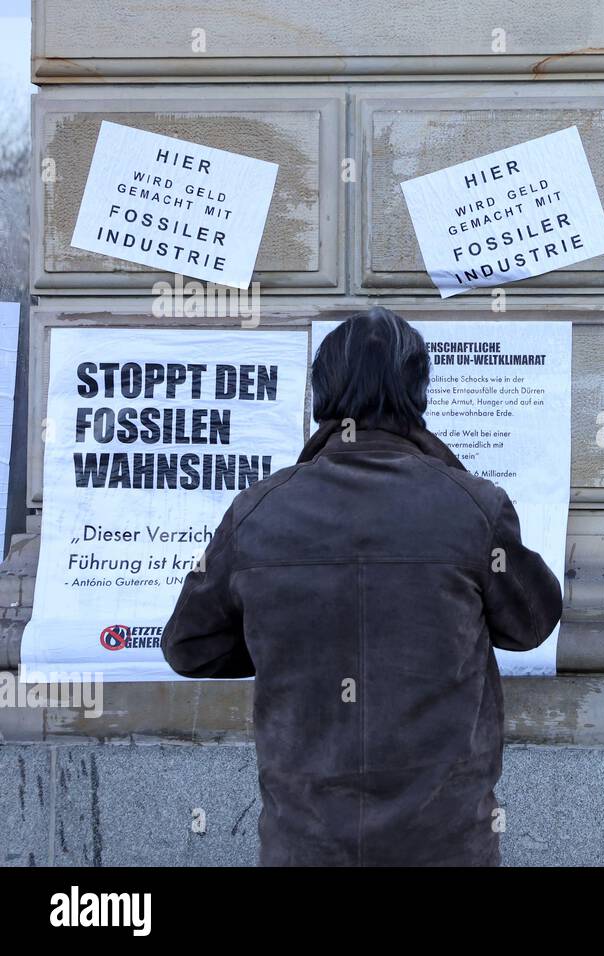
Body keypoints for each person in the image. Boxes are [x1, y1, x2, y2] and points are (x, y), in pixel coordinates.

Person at [162, 307, 563, 866]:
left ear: (321, 396)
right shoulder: (472, 506)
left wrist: (281, 642)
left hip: (306, 846)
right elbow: (532, 623)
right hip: (443, 846)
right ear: (418, 396)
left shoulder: (257, 512)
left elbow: (190, 647)